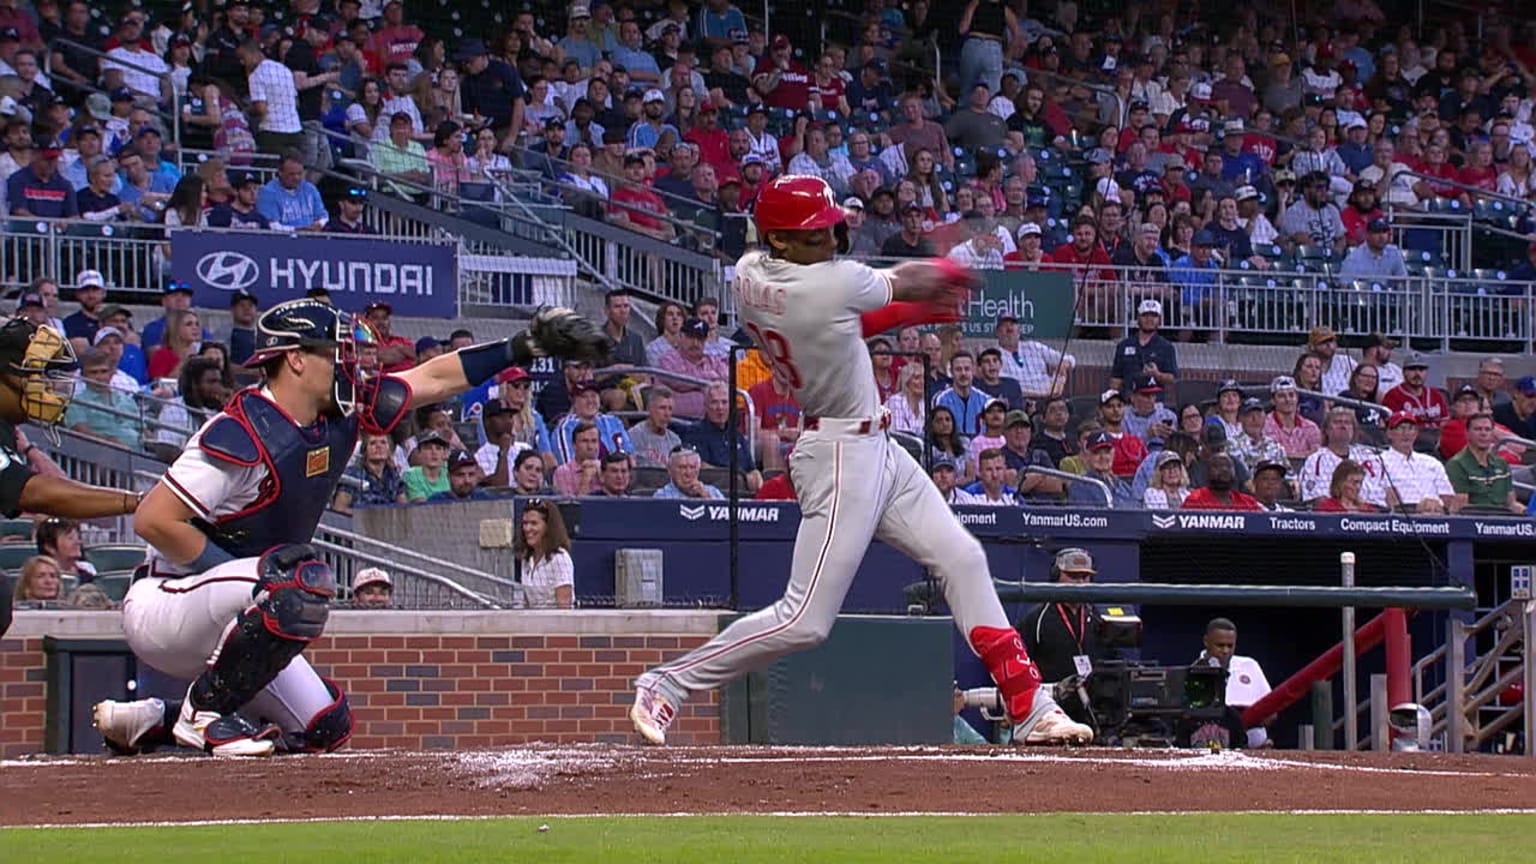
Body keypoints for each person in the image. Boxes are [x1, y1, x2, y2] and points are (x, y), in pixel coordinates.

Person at [630, 175, 1089, 747]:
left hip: (875, 446)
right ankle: (667, 682)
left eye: (830, 230)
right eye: (813, 234)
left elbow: (852, 322)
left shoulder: (749, 275)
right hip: (840, 454)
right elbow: (904, 282)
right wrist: (951, 270)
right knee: (805, 619)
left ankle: (1030, 705)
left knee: (963, 558)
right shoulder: (829, 282)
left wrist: (914, 313)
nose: (828, 240)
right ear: (779, 240)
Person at [89, 301, 609, 756]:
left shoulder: (339, 411)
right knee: (298, 583)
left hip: (241, 606)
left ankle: (152, 718)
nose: (350, 364)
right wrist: (255, 587)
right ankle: (201, 714)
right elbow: (154, 518)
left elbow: (432, 378)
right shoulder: (242, 428)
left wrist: (524, 344)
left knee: (324, 727)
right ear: (295, 359)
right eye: (334, 353)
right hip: (168, 602)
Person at [0, 318, 155, 640]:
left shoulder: (8, 429)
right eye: (36, 377)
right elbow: (35, 492)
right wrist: (138, 501)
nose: (47, 389)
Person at [1015, 548, 1115, 725]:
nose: (1080, 583)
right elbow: (1017, 666)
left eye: (1085, 577)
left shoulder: (1099, 617)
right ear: (1056, 577)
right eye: (1073, 577)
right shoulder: (1037, 618)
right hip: (1049, 713)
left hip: (1092, 712)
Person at [1195, 618, 1273, 748]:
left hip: (1255, 747)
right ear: (1206, 642)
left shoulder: (1249, 665)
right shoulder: (1194, 671)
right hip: (1214, 747)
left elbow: (1271, 713)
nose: (1225, 651)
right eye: (1220, 645)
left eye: (1230, 646)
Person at [1298, 407, 1386, 506]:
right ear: (1327, 430)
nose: (1343, 426)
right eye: (1337, 422)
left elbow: (1381, 493)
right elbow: (1316, 498)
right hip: (1333, 515)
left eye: (1347, 423)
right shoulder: (1315, 460)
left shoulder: (1367, 456)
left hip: (1370, 515)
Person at [1378, 413, 1454, 514]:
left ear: (1416, 433)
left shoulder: (1432, 463)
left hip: (1437, 518)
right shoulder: (1379, 462)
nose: (1406, 433)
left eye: (1411, 428)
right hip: (1403, 519)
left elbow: (1447, 497)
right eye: (1401, 428)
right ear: (1389, 433)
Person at [1446, 414, 1521, 514]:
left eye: (1487, 429)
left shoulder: (1501, 464)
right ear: (1467, 433)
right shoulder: (1457, 464)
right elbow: (1461, 507)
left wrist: (1526, 511)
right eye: (1478, 429)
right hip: (1475, 522)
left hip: (1504, 523)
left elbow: (1511, 503)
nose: (1483, 433)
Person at [1108, 300, 1178, 392]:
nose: (1149, 319)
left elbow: (1172, 378)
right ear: (1138, 318)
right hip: (1128, 400)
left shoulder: (1166, 347)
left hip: (1154, 401)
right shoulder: (1124, 345)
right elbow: (1116, 378)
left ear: (1160, 319)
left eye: (1154, 316)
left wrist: (1157, 374)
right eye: (1145, 315)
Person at [517, 499, 574, 609]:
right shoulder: (527, 559)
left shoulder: (560, 559)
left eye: (534, 523)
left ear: (548, 527)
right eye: (525, 523)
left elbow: (564, 611)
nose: (527, 529)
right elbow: (527, 604)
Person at [333, 431, 407, 511]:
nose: (378, 446)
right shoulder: (352, 474)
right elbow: (339, 508)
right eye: (372, 443)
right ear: (365, 451)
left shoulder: (393, 475)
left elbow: (405, 508)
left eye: (383, 442)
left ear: (389, 450)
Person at [1067, 430, 1135, 508]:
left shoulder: (1124, 487)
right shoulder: (1079, 487)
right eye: (1096, 453)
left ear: (1113, 453)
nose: (1103, 457)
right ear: (1088, 455)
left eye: (1107, 452)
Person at [1182, 453, 1262, 510]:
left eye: (1228, 466)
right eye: (1217, 466)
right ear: (1207, 473)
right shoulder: (1195, 500)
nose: (1224, 470)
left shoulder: (1248, 503)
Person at [628, 387, 682, 468]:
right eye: (662, 408)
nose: (667, 414)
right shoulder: (634, 435)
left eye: (670, 409)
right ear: (649, 409)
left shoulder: (675, 441)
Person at [35, 517, 98, 584]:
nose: (78, 542)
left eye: (78, 537)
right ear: (49, 547)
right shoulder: (34, 574)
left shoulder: (88, 569)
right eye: (70, 538)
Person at [651, 445, 723, 500]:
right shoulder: (661, 496)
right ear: (670, 470)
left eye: (692, 467)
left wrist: (707, 497)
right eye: (682, 467)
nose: (688, 473)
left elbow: (726, 517)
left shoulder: (713, 492)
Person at [1314, 460, 1381, 513]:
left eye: (1360, 483)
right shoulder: (1327, 508)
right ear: (1341, 483)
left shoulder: (1366, 509)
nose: (1358, 487)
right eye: (1354, 482)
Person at [430, 451, 494, 501]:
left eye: (471, 474)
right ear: (448, 477)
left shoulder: (484, 499)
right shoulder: (437, 501)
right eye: (460, 475)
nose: (467, 480)